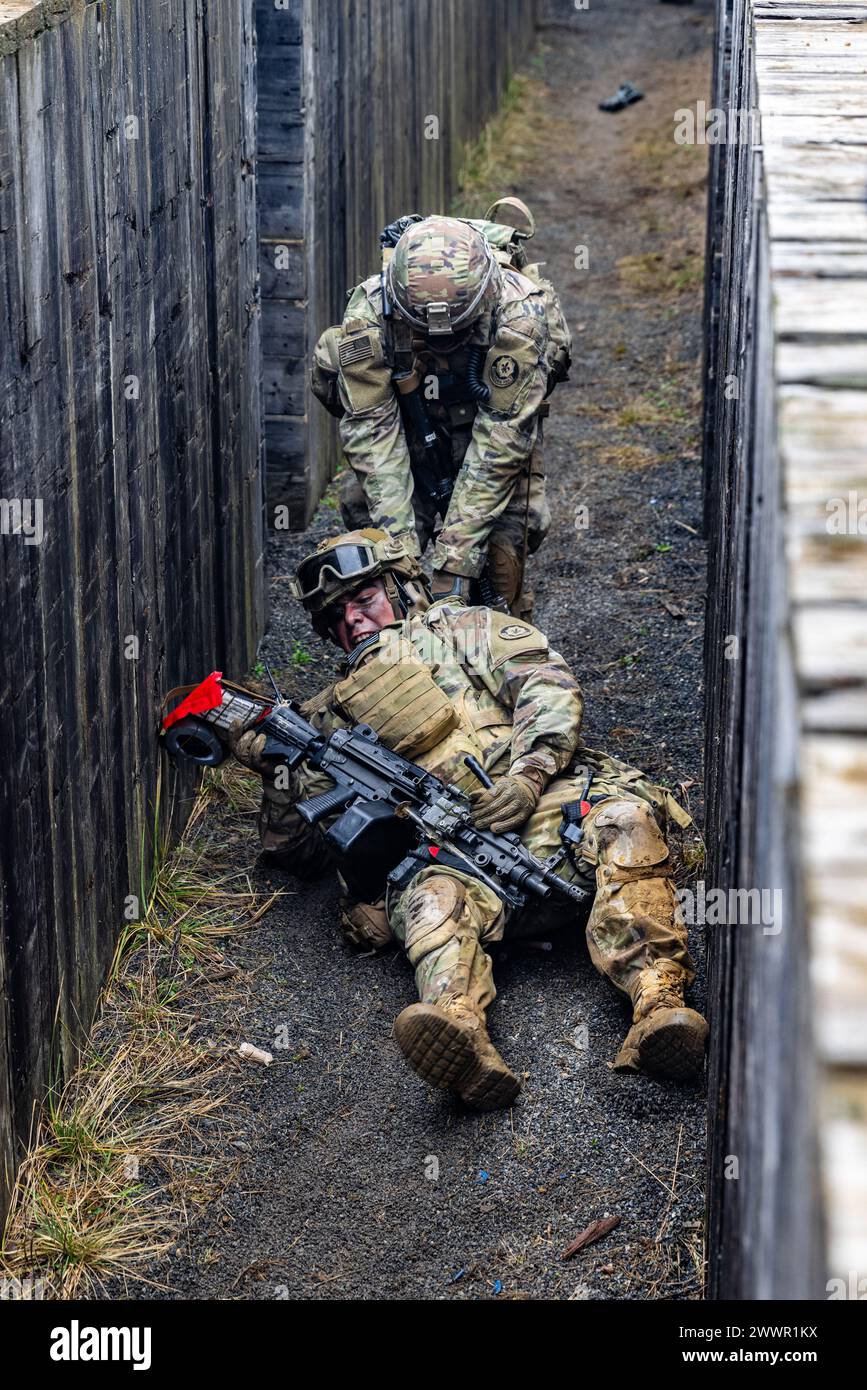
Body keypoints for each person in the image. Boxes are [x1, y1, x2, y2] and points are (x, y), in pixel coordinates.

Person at [229, 529, 708, 1110]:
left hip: (552, 815)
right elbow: (298, 855)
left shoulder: (464, 630)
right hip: (456, 865)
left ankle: (658, 1004)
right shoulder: (325, 718)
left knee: (626, 821)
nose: (351, 621)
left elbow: (548, 685)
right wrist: (271, 762)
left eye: (364, 600)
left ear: (402, 590)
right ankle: (461, 1035)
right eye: (335, 615)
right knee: (428, 898)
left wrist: (528, 775)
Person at [310, 208, 571, 617]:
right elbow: (374, 438)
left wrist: (454, 560)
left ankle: (504, 653)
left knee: (502, 559)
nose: (441, 340)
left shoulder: (520, 314)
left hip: (489, 434)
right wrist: (401, 561)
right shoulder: (369, 315)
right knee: (378, 555)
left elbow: (502, 440)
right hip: (407, 430)